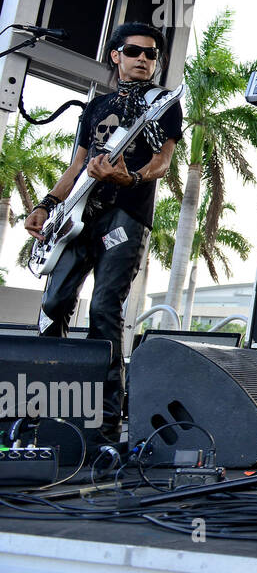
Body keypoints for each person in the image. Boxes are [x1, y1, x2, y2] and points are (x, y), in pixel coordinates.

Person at [24, 23, 183, 448]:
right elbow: (75, 166)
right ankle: (39, 415)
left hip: (125, 215)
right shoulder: (95, 106)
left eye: (151, 55)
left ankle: (103, 428)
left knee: (104, 309)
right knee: (53, 304)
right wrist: (45, 204)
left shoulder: (163, 103)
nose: (144, 60)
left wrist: (130, 177)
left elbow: (163, 162)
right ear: (116, 55)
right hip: (77, 215)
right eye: (134, 51)